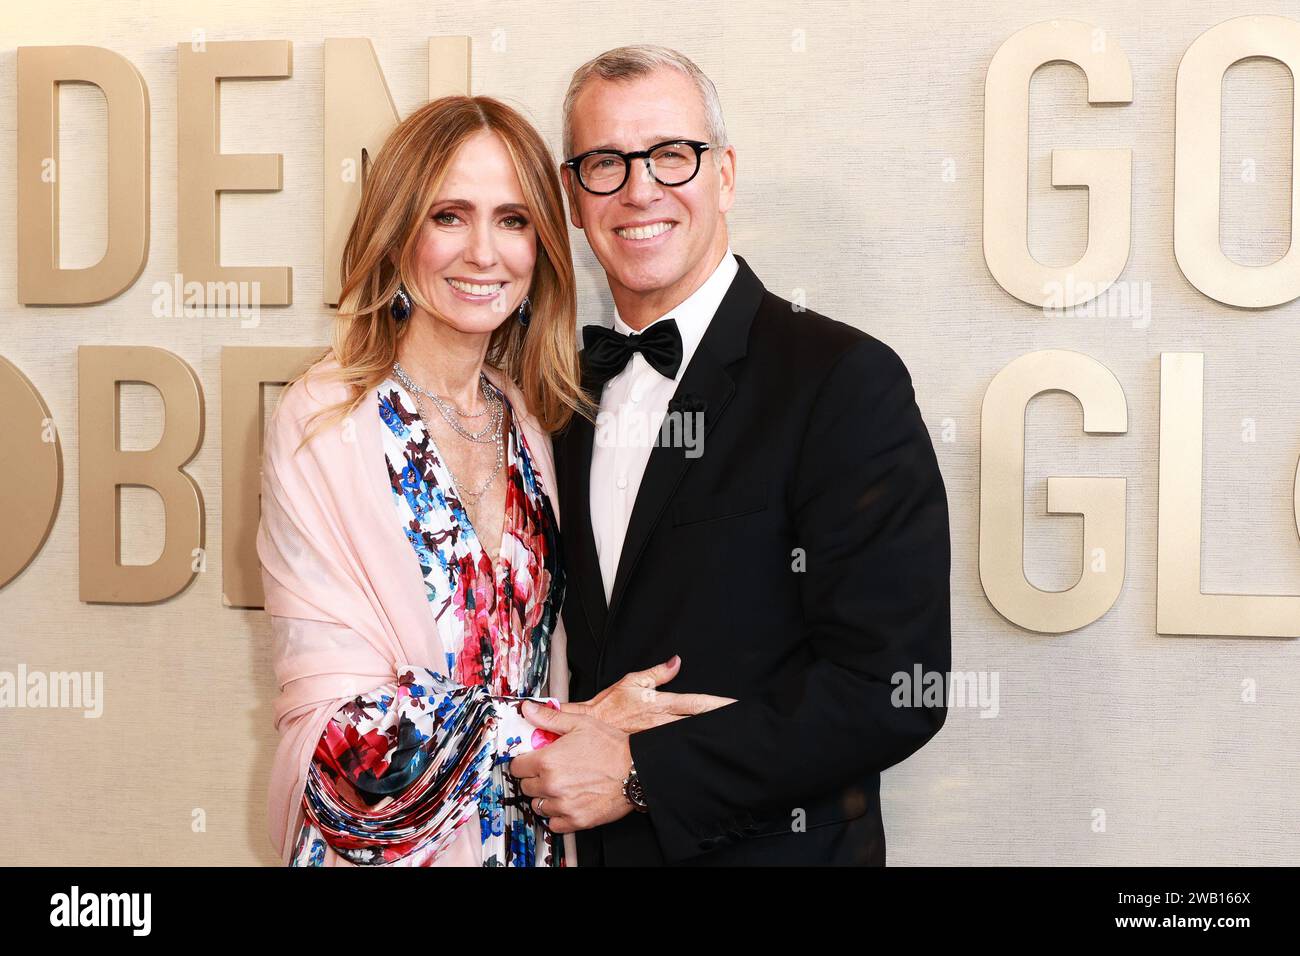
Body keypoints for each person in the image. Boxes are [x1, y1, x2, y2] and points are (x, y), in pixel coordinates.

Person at [509, 45, 952, 865]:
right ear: (573, 198)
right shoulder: (555, 393)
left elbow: (893, 691)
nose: (640, 189)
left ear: (726, 175)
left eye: (672, 155)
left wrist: (644, 773)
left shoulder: (843, 381)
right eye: (606, 162)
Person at [256, 94, 725, 867]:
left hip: (529, 846)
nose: (485, 252)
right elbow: (341, 738)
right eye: (449, 216)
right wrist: (581, 726)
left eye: (512, 220)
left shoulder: (537, 422)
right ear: (398, 232)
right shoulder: (327, 419)